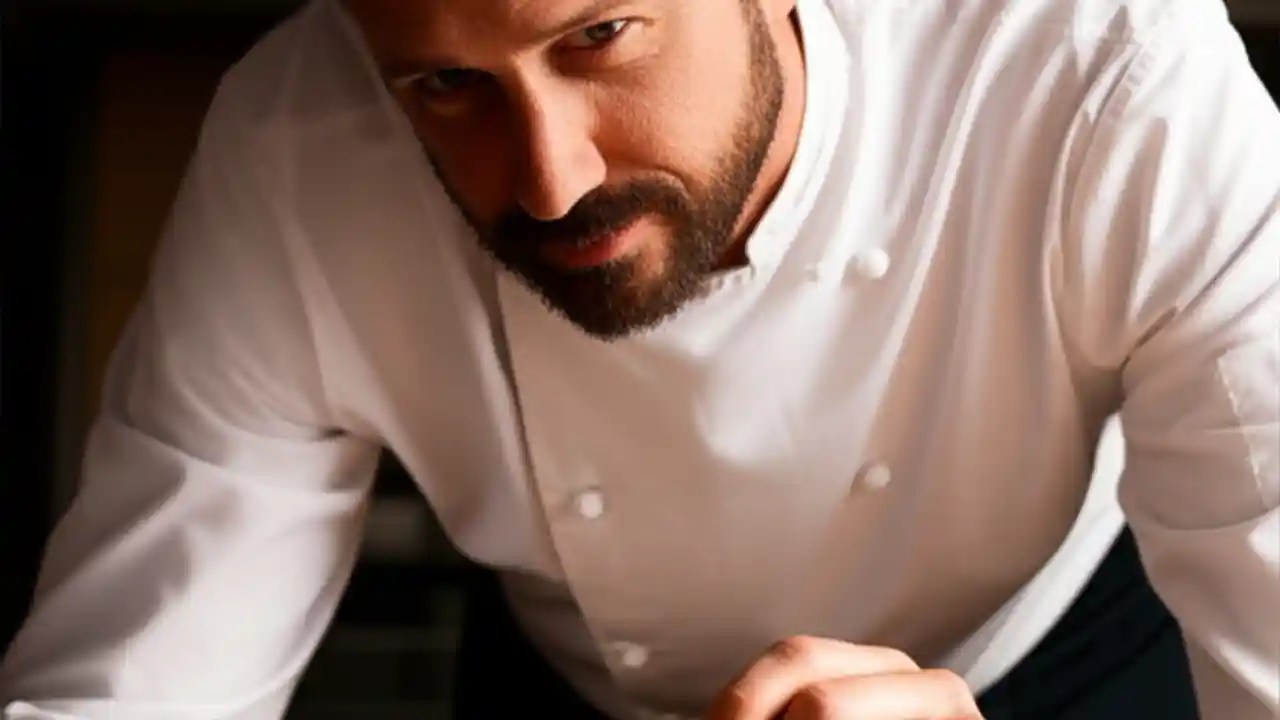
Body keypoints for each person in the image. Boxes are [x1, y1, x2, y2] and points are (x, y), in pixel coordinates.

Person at [1, 0, 1276, 717]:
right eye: (447, 88)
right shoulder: (293, 153)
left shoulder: (1109, 76)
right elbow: (132, 692)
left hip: (1055, 664)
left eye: (599, 36)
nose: (549, 182)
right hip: (572, 697)